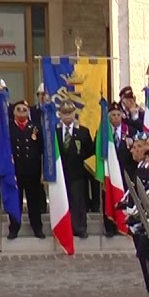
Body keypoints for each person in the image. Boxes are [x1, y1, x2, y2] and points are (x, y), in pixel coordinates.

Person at [57, 101, 96, 238]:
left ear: (74, 114)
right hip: (61, 173)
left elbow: (90, 150)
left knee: (78, 201)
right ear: (60, 115)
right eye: (64, 113)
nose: (67, 116)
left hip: (77, 172)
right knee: (62, 201)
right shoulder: (55, 131)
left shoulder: (83, 131)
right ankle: (63, 228)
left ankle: (80, 228)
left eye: (70, 113)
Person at [8, 99, 45, 239]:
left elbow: (41, 149)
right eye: (19, 109)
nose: (22, 112)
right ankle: (14, 228)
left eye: (24, 110)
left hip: (33, 172)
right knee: (14, 202)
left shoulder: (36, 128)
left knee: (34, 202)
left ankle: (37, 228)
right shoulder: (9, 128)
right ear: (14, 112)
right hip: (15, 173)